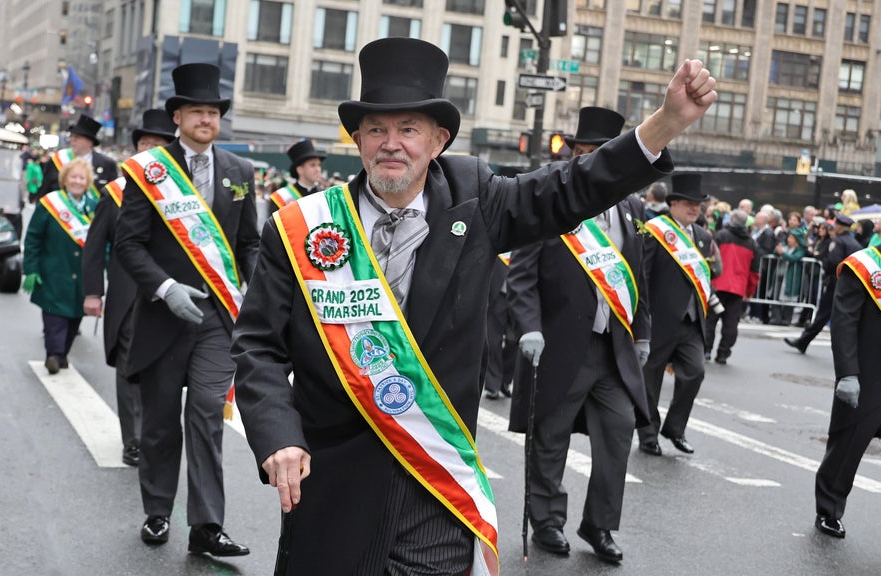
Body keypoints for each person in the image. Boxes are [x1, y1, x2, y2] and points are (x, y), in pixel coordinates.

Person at [231, 37, 716, 575]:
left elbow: (569, 189)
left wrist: (665, 124)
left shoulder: (476, 197)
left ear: (438, 140)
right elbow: (258, 346)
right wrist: (278, 437)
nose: (391, 144)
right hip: (333, 482)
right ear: (358, 139)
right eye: (376, 129)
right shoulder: (302, 228)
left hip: (433, 487)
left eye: (408, 129)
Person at [113, 63, 258, 556]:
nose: (206, 119)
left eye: (213, 112)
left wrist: (260, 289)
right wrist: (165, 287)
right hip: (163, 315)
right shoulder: (151, 172)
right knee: (158, 421)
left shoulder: (240, 172)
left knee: (206, 415)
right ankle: (157, 511)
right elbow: (129, 244)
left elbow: (248, 243)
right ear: (177, 117)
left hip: (217, 319)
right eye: (197, 111)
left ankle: (206, 525)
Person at [506, 107, 650, 564]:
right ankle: (547, 520)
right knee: (550, 435)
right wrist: (528, 327)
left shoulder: (631, 207)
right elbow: (522, 275)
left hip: (614, 346)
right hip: (560, 342)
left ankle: (600, 524)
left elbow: (636, 278)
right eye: (584, 153)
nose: (589, 162)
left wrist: (642, 332)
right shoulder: (553, 198)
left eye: (600, 155)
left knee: (618, 432)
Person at [82, 108, 177, 467]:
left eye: (158, 144)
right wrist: (93, 292)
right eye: (145, 143)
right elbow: (94, 247)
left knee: (162, 372)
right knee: (128, 369)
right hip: (126, 297)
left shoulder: (182, 197)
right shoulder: (116, 192)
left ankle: (153, 435)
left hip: (168, 297)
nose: (150, 149)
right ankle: (132, 440)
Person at [637, 173, 719, 456]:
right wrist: (642, 317)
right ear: (672, 204)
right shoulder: (654, 230)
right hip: (659, 319)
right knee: (651, 379)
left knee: (695, 372)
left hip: (692, 322)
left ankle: (675, 428)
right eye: (688, 203)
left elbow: (706, 276)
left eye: (698, 204)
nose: (694, 208)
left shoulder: (703, 237)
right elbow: (643, 276)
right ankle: (648, 434)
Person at [813, 238, 881, 538]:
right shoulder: (863, 265)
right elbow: (844, 321)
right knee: (846, 447)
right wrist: (847, 373)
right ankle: (828, 510)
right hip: (868, 375)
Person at [22, 158, 97, 374]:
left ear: (88, 182)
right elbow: (33, 238)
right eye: (73, 176)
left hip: (82, 276)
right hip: (53, 271)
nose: (77, 181)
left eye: (81, 178)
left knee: (74, 317)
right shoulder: (50, 203)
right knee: (54, 316)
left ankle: (62, 354)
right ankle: (53, 354)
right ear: (64, 179)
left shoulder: (94, 206)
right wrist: (31, 269)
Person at [784, 213, 862, 354]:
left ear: (839, 226)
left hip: (836, 283)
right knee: (842, 316)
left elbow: (832, 262)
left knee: (823, 314)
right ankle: (804, 341)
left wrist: (825, 266)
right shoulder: (855, 243)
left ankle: (804, 341)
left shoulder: (838, 241)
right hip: (849, 283)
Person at [705, 209, 759, 363]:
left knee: (710, 319)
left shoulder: (721, 235)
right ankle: (723, 353)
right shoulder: (752, 243)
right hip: (737, 289)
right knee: (731, 322)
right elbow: (754, 272)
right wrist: (749, 291)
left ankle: (707, 349)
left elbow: (711, 258)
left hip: (718, 284)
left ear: (733, 219)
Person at [36, 114, 118, 205]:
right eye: (72, 136)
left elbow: (111, 198)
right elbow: (45, 190)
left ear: (90, 142)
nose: (73, 140)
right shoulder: (57, 159)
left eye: (78, 137)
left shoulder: (107, 164)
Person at [482, 255, 516, 400]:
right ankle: (492, 385)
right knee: (493, 340)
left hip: (520, 298)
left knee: (514, 341)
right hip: (498, 295)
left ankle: (505, 381)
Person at [269, 139, 326, 213]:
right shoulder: (281, 197)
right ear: (300, 170)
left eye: (319, 165)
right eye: (312, 165)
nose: (318, 169)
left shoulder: (325, 196)